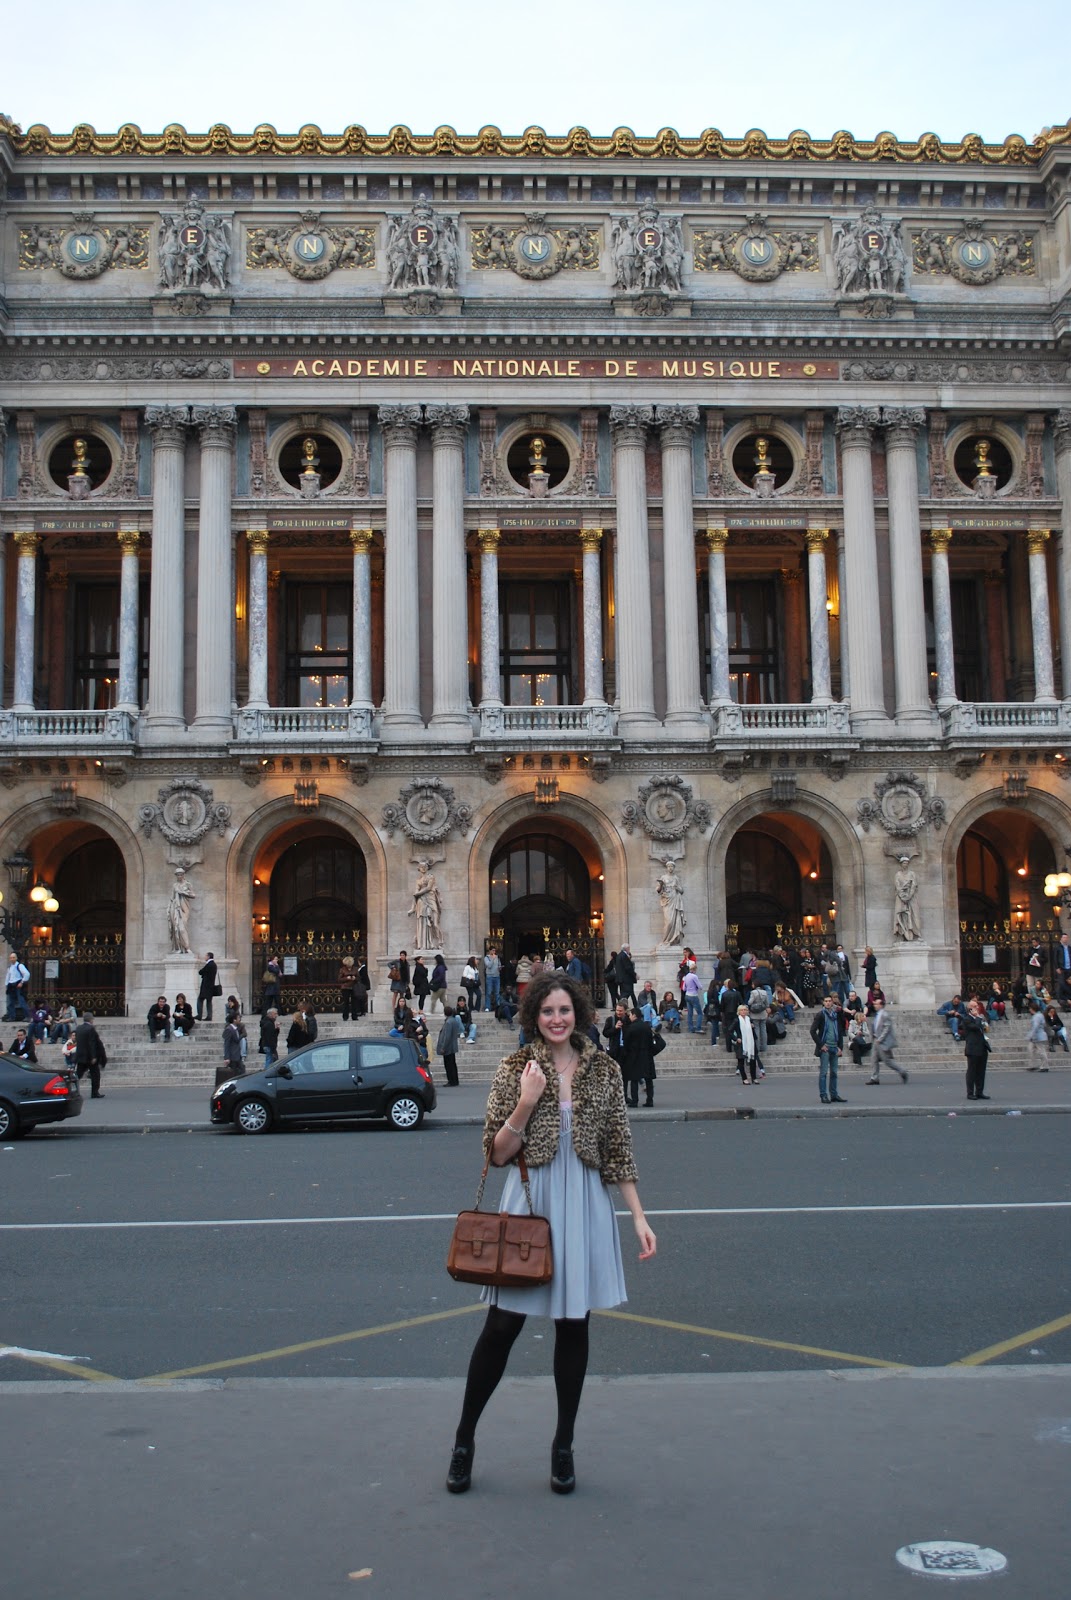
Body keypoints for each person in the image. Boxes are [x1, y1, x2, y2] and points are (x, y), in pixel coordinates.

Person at [446, 971, 656, 1496]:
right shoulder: (515, 1068)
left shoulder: (604, 1070)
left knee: (573, 1325)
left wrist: (638, 1216)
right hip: (531, 1202)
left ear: (577, 1013)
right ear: (533, 1016)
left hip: (584, 1201)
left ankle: (564, 1445)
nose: (557, 1019)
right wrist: (526, 1102)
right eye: (547, 1011)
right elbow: (495, 1154)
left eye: (564, 1010)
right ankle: (464, 1440)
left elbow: (618, 1147)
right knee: (501, 1326)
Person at [621, 1005, 663, 1108]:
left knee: (634, 1079)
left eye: (630, 1015)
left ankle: (634, 1101)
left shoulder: (631, 1028)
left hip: (634, 1056)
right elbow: (650, 1041)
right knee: (648, 1079)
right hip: (647, 1055)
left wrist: (625, 1054)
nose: (629, 1017)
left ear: (634, 1015)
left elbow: (626, 1042)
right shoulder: (646, 1027)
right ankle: (650, 1100)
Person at [810, 994, 847, 1104]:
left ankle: (834, 1094)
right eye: (826, 1001)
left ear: (832, 1002)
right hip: (825, 1048)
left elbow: (840, 1031)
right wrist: (821, 1045)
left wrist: (840, 1047)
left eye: (829, 1001)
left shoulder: (836, 1014)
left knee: (834, 1073)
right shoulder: (820, 1015)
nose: (828, 1003)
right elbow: (812, 1031)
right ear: (823, 1003)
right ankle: (823, 1095)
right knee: (824, 1073)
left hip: (834, 1047)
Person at [867, 996, 908, 1084]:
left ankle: (902, 1071)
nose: (874, 1005)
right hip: (876, 1040)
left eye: (876, 1004)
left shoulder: (885, 1015)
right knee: (873, 1059)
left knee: (887, 1061)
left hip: (881, 1041)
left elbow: (887, 1028)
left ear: (881, 1005)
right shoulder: (877, 1015)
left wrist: (880, 1039)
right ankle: (874, 1078)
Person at [73, 1011, 107, 1098]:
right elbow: (92, 1043)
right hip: (89, 1057)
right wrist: (94, 1056)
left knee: (78, 1075)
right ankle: (94, 1092)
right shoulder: (91, 1029)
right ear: (91, 1019)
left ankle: (72, 1089)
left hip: (80, 1056)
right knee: (95, 1075)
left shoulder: (78, 1028)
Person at [962, 998, 991, 1100]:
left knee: (981, 1071)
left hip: (982, 1047)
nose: (977, 1008)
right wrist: (978, 1018)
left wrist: (983, 1021)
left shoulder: (980, 1018)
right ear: (970, 1009)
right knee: (972, 1072)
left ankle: (979, 1092)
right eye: (974, 1006)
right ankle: (970, 1093)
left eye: (977, 1006)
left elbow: (986, 1028)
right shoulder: (967, 1019)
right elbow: (975, 1027)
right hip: (973, 1049)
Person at [727, 1003, 758, 1085]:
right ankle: (744, 1079)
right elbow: (729, 1031)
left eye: (745, 1010)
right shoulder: (737, 1020)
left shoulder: (749, 1019)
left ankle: (754, 1078)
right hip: (741, 1043)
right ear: (739, 1012)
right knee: (741, 1061)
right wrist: (736, 1038)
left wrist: (752, 1027)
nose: (743, 1011)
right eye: (742, 1010)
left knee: (753, 1060)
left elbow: (752, 1031)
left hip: (750, 1042)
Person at [436, 1006, 464, 1086]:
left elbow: (447, 1036)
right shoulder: (454, 1020)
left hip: (448, 1047)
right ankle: (455, 1080)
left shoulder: (448, 1022)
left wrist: (443, 1047)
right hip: (452, 1046)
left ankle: (451, 1080)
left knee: (448, 1065)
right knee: (453, 1064)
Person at [5, 953, 31, 1022]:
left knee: (21, 1001)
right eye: (11, 958)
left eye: (13, 957)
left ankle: (27, 1016)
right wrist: (7, 985)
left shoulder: (20, 966)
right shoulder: (9, 967)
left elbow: (27, 974)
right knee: (10, 1003)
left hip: (17, 985)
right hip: (11, 985)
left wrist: (22, 982)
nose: (12, 959)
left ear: (16, 958)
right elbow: (8, 977)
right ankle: (11, 1017)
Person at [221, 1015, 244, 1086]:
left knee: (241, 1072)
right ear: (234, 1020)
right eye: (238, 1018)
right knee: (235, 1073)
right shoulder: (229, 1029)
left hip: (237, 1055)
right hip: (233, 1056)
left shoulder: (236, 1029)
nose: (240, 1020)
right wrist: (227, 1057)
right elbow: (227, 1044)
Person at [1024, 1002, 1049, 1070]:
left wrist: (1030, 1035)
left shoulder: (1037, 1016)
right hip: (1035, 1037)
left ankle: (1045, 1066)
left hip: (1038, 1036)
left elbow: (1035, 1026)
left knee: (1041, 1051)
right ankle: (1033, 1065)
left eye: (1030, 1008)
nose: (1029, 1010)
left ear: (1032, 1009)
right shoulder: (1039, 1015)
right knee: (1031, 1050)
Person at [681, 964, 704, 1033]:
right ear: (695, 969)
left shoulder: (686, 976)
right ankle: (698, 1028)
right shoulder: (694, 976)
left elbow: (684, 988)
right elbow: (700, 986)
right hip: (693, 995)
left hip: (687, 995)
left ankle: (690, 1028)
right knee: (700, 1013)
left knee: (690, 1013)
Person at [196, 953, 218, 1022]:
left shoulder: (209, 964)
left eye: (205, 956)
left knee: (200, 999)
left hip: (206, 986)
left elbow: (201, 972)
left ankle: (199, 1015)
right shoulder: (214, 964)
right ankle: (209, 1016)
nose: (204, 957)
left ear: (208, 956)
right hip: (211, 986)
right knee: (209, 1001)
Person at [389, 951, 411, 1019]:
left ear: (405, 956)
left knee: (402, 995)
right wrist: (393, 967)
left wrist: (408, 981)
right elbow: (389, 964)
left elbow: (408, 972)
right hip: (397, 980)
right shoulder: (397, 961)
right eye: (401, 955)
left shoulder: (407, 963)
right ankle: (393, 1008)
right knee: (395, 994)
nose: (402, 956)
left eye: (403, 955)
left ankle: (401, 1007)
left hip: (403, 981)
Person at [338, 956, 361, 1021]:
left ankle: (354, 1016)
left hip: (354, 987)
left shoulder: (355, 969)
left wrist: (355, 978)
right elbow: (339, 979)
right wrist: (346, 978)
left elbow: (359, 978)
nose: (349, 966)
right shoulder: (342, 969)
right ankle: (345, 1016)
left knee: (354, 1002)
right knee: (346, 1002)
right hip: (345, 987)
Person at [483, 946, 502, 1012]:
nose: (494, 952)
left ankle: (498, 1006)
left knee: (497, 992)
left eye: (495, 950)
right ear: (490, 951)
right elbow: (489, 965)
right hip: (490, 976)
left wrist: (500, 967)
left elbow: (499, 964)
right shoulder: (486, 958)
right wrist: (493, 959)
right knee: (489, 992)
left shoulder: (497, 957)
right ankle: (487, 1006)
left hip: (497, 976)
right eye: (493, 950)